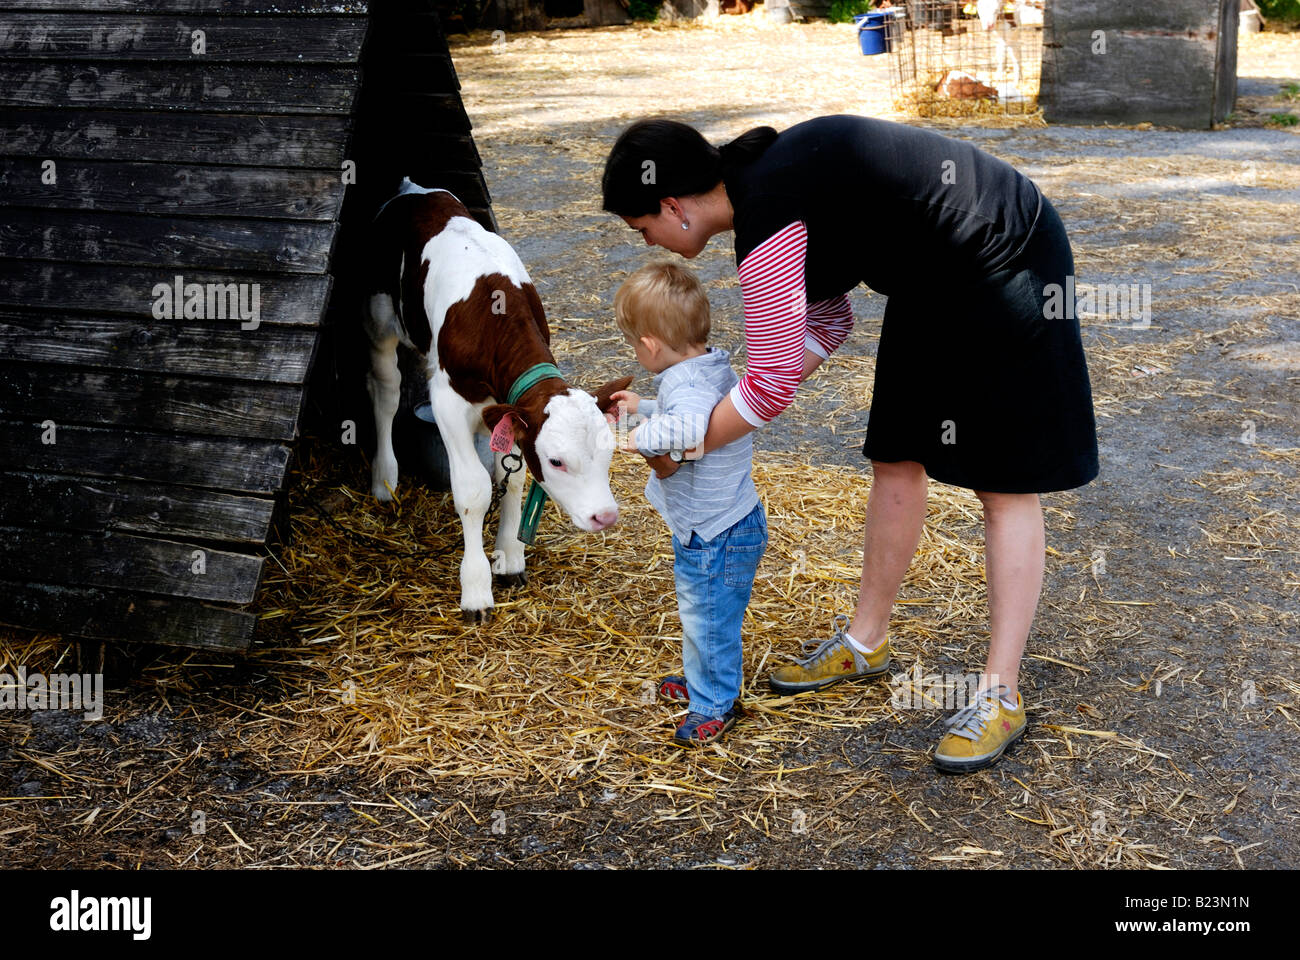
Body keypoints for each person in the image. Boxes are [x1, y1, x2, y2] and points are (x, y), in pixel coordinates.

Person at [601, 114, 1099, 773]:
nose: (647, 243)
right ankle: (866, 644)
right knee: (895, 454)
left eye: (643, 229)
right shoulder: (762, 193)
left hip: (1003, 251)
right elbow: (829, 318)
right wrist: (702, 424)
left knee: (1003, 484)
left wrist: (684, 443)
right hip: (930, 273)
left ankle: (999, 694)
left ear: (672, 206)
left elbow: (770, 388)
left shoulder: (767, 215)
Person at [610, 261, 767, 748]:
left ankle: (713, 702)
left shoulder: (688, 384)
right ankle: (704, 676)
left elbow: (688, 428)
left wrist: (637, 436)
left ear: (651, 344)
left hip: (716, 533)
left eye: (635, 344)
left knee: (709, 615)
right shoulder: (705, 368)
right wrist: (647, 408)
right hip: (715, 525)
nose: (637, 352)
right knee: (703, 613)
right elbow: (686, 416)